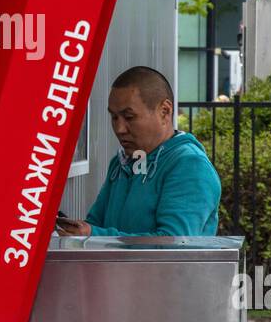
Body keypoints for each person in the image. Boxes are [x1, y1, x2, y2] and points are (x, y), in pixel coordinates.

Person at [56, 66, 221, 239]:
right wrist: (75, 231)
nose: (119, 129)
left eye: (129, 117)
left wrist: (91, 234)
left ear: (164, 111)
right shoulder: (121, 163)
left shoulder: (189, 166)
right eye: (114, 117)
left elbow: (173, 246)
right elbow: (95, 224)